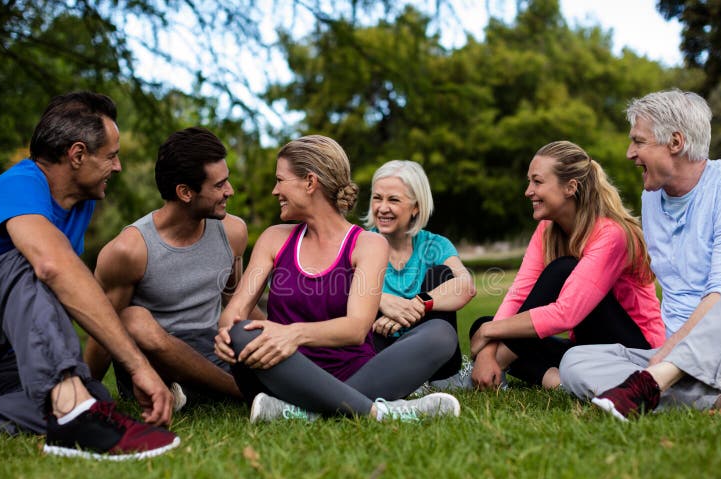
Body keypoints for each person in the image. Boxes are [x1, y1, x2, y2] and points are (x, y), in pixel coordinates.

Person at [0, 91, 179, 460]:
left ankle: (73, 410)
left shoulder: (78, 206)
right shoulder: (19, 186)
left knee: (91, 393)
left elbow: (66, 295)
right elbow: (52, 266)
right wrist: (138, 366)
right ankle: (74, 416)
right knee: (32, 261)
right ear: (77, 155)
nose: (118, 167)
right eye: (111, 156)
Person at [213, 135, 460, 422]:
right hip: (281, 372)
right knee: (240, 333)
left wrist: (293, 334)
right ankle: (375, 411)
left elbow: (356, 328)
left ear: (310, 182)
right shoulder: (273, 238)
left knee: (441, 334)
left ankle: (304, 412)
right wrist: (227, 332)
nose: (274, 190)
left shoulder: (368, 244)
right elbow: (234, 311)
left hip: (352, 373)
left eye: (280, 180)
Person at [558, 89, 721, 419]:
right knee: (575, 361)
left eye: (638, 141)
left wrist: (670, 354)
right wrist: (668, 357)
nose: (630, 153)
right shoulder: (652, 198)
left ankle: (650, 386)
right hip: (678, 364)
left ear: (675, 142)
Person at [84, 127, 262, 410]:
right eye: (219, 185)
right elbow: (102, 330)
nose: (229, 191)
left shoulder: (233, 232)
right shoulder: (130, 250)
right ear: (185, 192)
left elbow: (237, 301)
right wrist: (83, 395)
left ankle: (193, 394)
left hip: (213, 352)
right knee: (132, 319)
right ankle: (245, 394)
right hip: (156, 361)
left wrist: (280, 335)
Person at [470, 140, 665, 391]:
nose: (528, 191)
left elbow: (566, 314)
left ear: (570, 187)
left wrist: (489, 332)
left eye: (537, 182)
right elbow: (519, 295)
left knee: (563, 269)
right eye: (529, 182)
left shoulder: (612, 235)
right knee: (484, 323)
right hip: (584, 349)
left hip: (636, 350)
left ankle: (494, 370)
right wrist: (487, 346)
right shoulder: (547, 230)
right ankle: (557, 381)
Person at [365, 160, 476, 389]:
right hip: (381, 351)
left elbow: (466, 286)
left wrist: (417, 305)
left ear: (415, 207)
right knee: (362, 290)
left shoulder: (434, 245)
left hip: (434, 353)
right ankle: (401, 380)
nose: (382, 208)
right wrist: (382, 300)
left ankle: (441, 380)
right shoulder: (360, 243)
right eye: (377, 198)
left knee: (441, 274)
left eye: (393, 199)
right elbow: (336, 293)